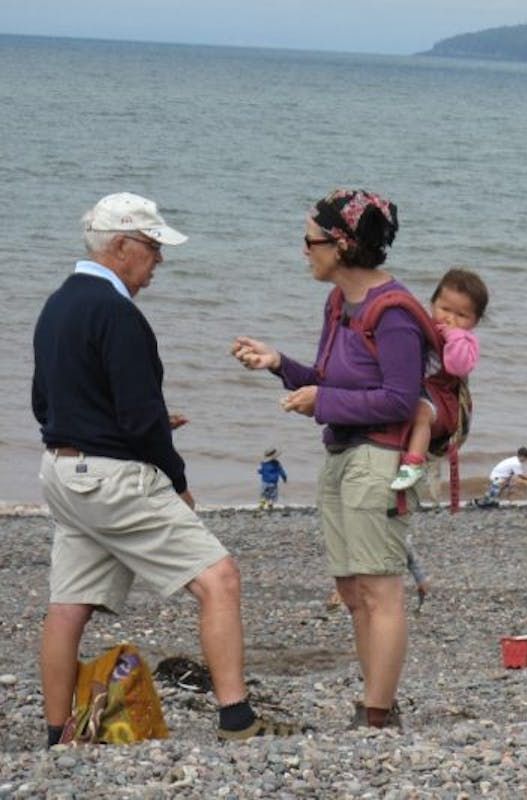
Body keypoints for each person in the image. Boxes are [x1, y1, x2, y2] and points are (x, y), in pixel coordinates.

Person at [33, 192, 297, 744]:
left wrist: (124, 423)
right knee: (219, 578)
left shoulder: (56, 305)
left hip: (62, 470)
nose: (159, 260)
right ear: (120, 246)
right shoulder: (118, 314)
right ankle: (236, 719)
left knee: (68, 606)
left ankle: (57, 735)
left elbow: (47, 403)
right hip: (112, 479)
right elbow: (139, 418)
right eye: (152, 248)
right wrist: (177, 482)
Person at [231, 188, 421, 729]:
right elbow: (325, 380)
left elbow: (401, 400)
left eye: (310, 240)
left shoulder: (394, 313)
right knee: (353, 590)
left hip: (379, 459)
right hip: (342, 454)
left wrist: (323, 402)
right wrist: (278, 364)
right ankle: (377, 701)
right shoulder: (338, 303)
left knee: (380, 589)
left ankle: (376, 714)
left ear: (341, 245)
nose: (303, 250)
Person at [389, 268, 489, 491]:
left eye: (461, 315)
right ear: (432, 304)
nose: (450, 318)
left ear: (475, 321)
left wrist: (453, 336)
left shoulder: (466, 341)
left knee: (421, 412)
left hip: (442, 400)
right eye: (445, 309)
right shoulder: (424, 327)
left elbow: (457, 366)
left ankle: (414, 463)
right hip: (417, 388)